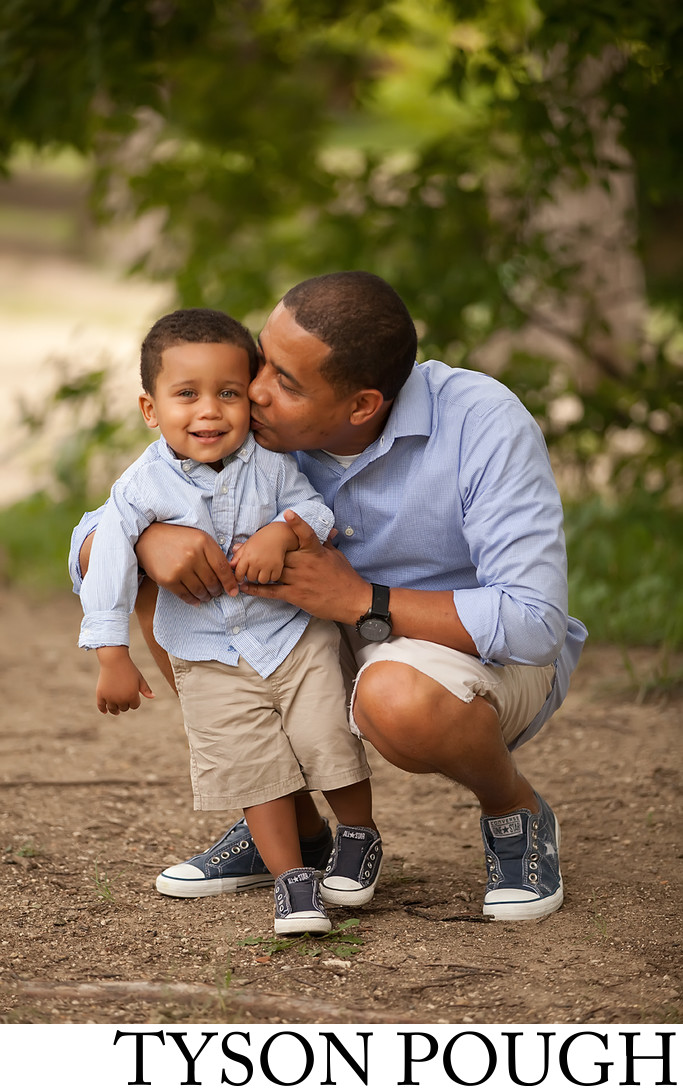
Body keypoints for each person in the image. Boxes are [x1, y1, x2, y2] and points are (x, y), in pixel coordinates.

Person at [71, 272, 587, 922]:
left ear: (361, 406)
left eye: (285, 382)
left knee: (395, 696)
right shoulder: (244, 426)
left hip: (463, 652)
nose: (254, 390)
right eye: (262, 360)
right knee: (173, 590)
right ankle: (294, 829)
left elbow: (533, 622)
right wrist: (148, 541)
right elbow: (99, 536)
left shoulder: (481, 422)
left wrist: (362, 599)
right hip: (304, 629)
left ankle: (513, 808)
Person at [75, 307, 382, 936]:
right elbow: (106, 558)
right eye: (187, 394)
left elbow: (316, 511)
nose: (209, 412)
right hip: (207, 653)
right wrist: (111, 654)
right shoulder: (140, 487)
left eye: (229, 393)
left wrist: (283, 532)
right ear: (150, 409)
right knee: (252, 768)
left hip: (291, 638)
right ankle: (292, 881)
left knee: (326, 736)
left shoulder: (272, 463)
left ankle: (359, 836)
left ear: (251, 398)